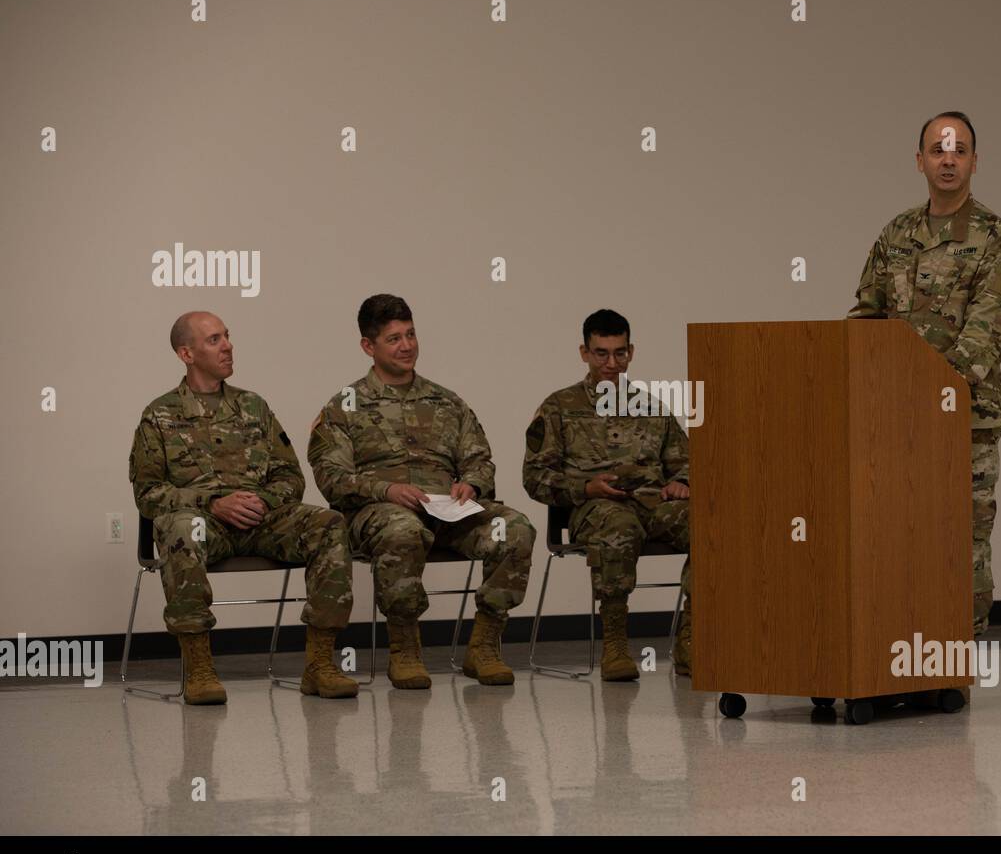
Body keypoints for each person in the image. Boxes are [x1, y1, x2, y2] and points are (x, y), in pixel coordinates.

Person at [848, 111, 1001, 658]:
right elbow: (866, 318)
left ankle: (960, 660)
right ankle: (900, 656)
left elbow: (982, 340)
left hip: (963, 419)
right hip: (890, 419)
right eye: (937, 149)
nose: (948, 159)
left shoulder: (998, 239)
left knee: (960, 542)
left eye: (960, 150)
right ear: (920, 160)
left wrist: (920, 396)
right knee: (895, 536)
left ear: (975, 160)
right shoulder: (896, 233)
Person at [128, 311, 358, 704]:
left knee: (329, 523)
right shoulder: (159, 415)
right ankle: (200, 668)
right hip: (204, 525)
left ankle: (319, 664)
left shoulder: (254, 406)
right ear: (186, 353)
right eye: (214, 339)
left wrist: (261, 501)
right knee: (180, 529)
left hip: (261, 520)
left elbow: (290, 476)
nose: (228, 345)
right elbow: (148, 494)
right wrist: (213, 504)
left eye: (227, 336)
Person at [308, 295, 536, 687]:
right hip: (378, 512)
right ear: (369, 346)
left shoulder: (447, 402)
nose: (407, 345)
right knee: (403, 529)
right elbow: (330, 476)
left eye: (411, 334)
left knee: (514, 529)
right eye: (394, 338)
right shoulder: (344, 406)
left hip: (448, 509)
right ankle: (405, 649)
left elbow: (480, 459)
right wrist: (386, 488)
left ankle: (483, 646)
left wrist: (472, 483)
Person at [523, 309, 691, 681]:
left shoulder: (652, 407)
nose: (611, 363)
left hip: (654, 505)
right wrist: (585, 487)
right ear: (584, 352)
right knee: (617, 524)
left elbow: (687, 461)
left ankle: (692, 638)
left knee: (711, 521)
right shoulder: (559, 408)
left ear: (631, 352)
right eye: (601, 353)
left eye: (619, 353)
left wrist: (683, 482)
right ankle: (614, 642)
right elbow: (535, 477)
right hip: (594, 508)